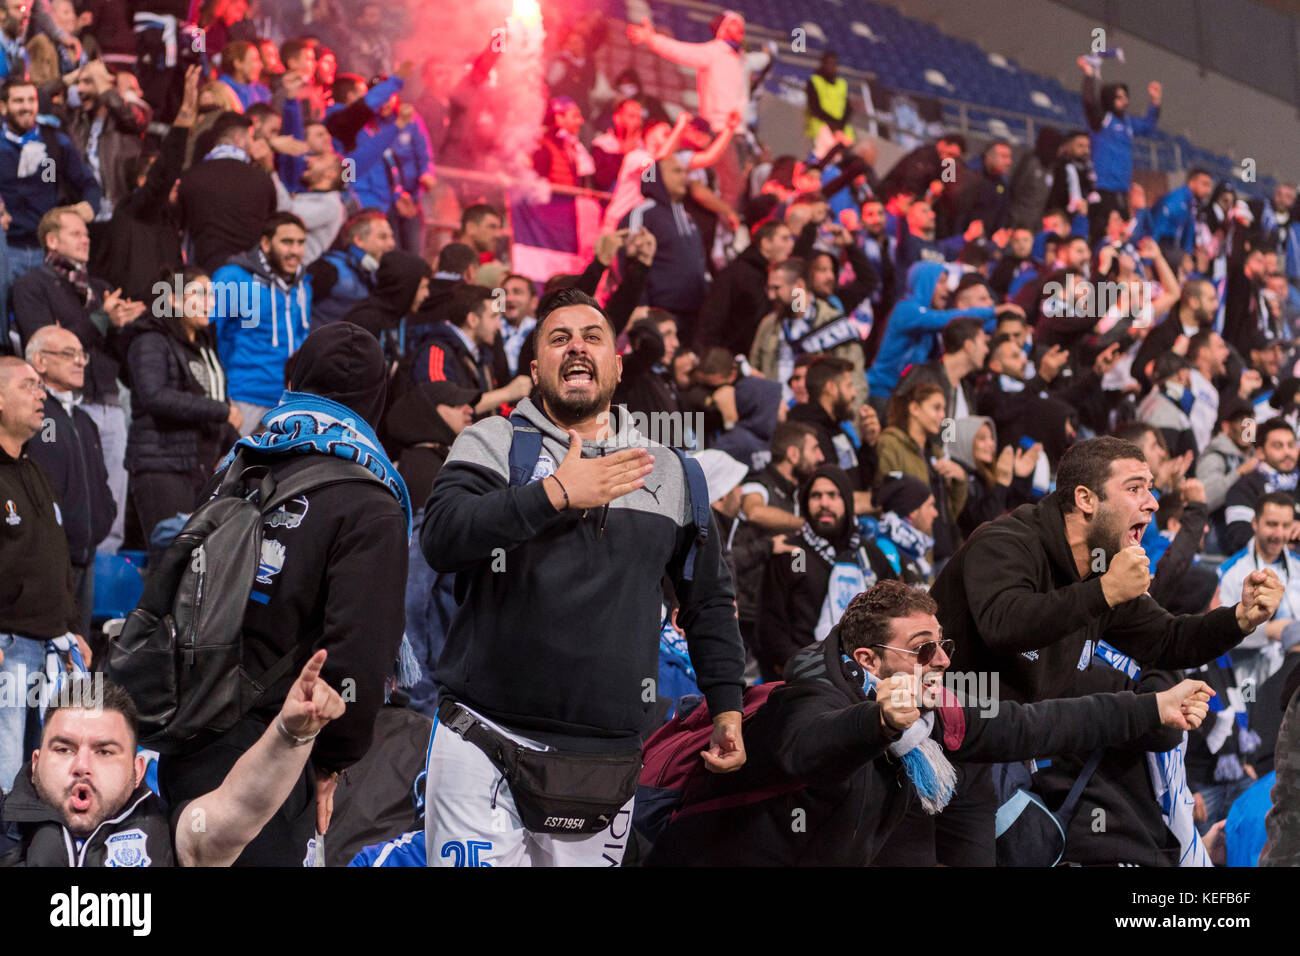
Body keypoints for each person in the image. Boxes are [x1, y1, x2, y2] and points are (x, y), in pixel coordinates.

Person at [419, 287, 747, 867]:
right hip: (483, 738)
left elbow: (708, 600)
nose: (577, 348)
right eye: (559, 338)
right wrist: (556, 494)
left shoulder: (671, 471)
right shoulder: (491, 442)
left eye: (593, 337)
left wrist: (726, 708)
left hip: (607, 759)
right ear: (535, 368)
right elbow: (443, 538)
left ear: (618, 366)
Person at [646, 580, 1216, 866]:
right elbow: (806, 748)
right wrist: (876, 722)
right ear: (867, 660)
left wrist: (1150, 709)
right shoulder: (808, 696)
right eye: (923, 650)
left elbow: (1033, 725)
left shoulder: (928, 719)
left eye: (941, 646)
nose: (943, 661)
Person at [158, 322, 411, 866]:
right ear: (375, 399)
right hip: (272, 753)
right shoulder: (370, 501)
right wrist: (330, 761)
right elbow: (359, 655)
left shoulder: (236, 465)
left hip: (184, 729)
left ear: (293, 377)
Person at [1, 652, 346, 867]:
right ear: (35, 763)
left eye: (105, 751)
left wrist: (290, 734)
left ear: (138, 770)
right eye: (64, 749)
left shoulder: (170, 835)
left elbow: (238, 809)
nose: (82, 766)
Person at [13, 206, 142, 552]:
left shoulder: (100, 288)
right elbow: (40, 346)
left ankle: (103, 595)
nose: (86, 239)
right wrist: (101, 320)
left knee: (109, 508)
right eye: (76, 233)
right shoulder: (31, 286)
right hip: (59, 409)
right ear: (52, 240)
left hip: (110, 403)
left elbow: (116, 355)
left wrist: (125, 326)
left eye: (87, 233)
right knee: (61, 501)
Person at [0, 356, 88, 791]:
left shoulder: (35, 470)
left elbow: (56, 560)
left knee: (44, 784)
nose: (41, 396)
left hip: (53, 646)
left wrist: (72, 629)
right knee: (5, 779)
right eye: (29, 386)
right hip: (8, 650)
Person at [123, 266, 240, 545]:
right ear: (173, 299)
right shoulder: (150, 339)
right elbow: (155, 396)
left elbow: (217, 402)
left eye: (211, 295)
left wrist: (233, 448)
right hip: (163, 467)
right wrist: (222, 412)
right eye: (198, 294)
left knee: (195, 561)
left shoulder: (205, 346)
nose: (209, 303)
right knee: (169, 558)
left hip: (200, 467)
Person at [757, 465, 896, 679]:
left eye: (832, 495)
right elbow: (771, 622)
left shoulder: (868, 554)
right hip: (807, 675)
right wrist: (797, 666)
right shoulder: (795, 553)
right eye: (816, 496)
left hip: (868, 675)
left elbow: (895, 614)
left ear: (847, 502)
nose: (824, 503)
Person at [22, 326, 114, 642]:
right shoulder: (30, 418)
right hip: (46, 564)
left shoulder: (84, 420)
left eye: (82, 354)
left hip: (84, 559)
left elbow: (100, 482)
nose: (80, 362)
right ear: (40, 361)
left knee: (78, 663)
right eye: (67, 354)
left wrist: (105, 515)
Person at [627, 10, 748, 208]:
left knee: (734, 183)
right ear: (724, 28)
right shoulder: (715, 51)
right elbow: (681, 51)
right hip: (719, 128)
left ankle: (726, 225)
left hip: (738, 130)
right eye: (734, 23)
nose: (740, 28)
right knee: (729, 183)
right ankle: (726, 227)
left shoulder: (740, 59)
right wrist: (653, 39)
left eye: (742, 24)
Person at [210, 211, 311, 434]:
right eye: (287, 242)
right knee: (228, 465)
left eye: (300, 243)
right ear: (265, 243)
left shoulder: (303, 286)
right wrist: (217, 392)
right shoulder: (233, 278)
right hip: (241, 395)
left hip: (287, 400)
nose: (295, 251)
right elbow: (208, 332)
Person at [0, 78, 100, 284]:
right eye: (19, 101)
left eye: (31, 100)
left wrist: (89, 206)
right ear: (3, 107)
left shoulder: (55, 141)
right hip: (5, 249)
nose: (27, 107)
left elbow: (88, 183)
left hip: (46, 251)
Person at [750, 256, 867, 410]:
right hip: (774, 416)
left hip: (817, 420)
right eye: (769, 289)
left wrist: (847, 426)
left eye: (777, 288)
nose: (771, 296)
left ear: (799, 286)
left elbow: (856, 383)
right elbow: (754, 371)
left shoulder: (835, 325)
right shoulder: (768, 325)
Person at [1215, 491, 1300, 693]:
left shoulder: (1298, 567)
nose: (1279, 534)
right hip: (1246, 677)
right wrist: (1267, 631)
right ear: (1255, 523)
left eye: (1286, 526)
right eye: (1272, 524)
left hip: (1293, 676)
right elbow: (1218, 634)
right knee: (1250, 720)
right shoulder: (1229, 573)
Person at [875, 381, 967, 563]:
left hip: (945, 551)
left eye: (944, 409)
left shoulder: (936, 452)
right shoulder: (890, 444)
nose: (943, 416)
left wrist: (960, 480)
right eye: (936, 408)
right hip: (913, 555)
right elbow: (888, 499)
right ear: (914, 408)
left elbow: (950, 511)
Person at [178, 110, 277, 274]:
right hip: (252, 271)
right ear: (239, 139)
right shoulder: (262, 179)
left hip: (206, 271)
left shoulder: (191, 178)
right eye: (251, 138)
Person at [411, 284, 530, 418]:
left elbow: (491, 407)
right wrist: (508, 393)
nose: (499, 325)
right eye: (493, 316)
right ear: (472, 320)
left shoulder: (481, 354)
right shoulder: (436, 352)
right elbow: (445, 408)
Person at [695, 219, 793, 356]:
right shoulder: (738, 274)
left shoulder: (781, 274)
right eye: (784, 239)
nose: (791, 244)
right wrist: (710, 355)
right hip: (734, 358)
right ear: (765, 243)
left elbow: (797, 313)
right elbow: (712, 318)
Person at [1222, 417, 1300, 555]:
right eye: (1278, 446)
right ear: (1260, 452)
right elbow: (1239, 537)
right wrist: (1283, 536)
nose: (1287, 452)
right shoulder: (1244, 487)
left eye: (1291, 445)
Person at [307, 208, 395, 328]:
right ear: (358, 240)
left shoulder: (373, 274)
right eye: (383, 237)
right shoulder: (330, 269)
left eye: (392, 237)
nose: (392, 244)